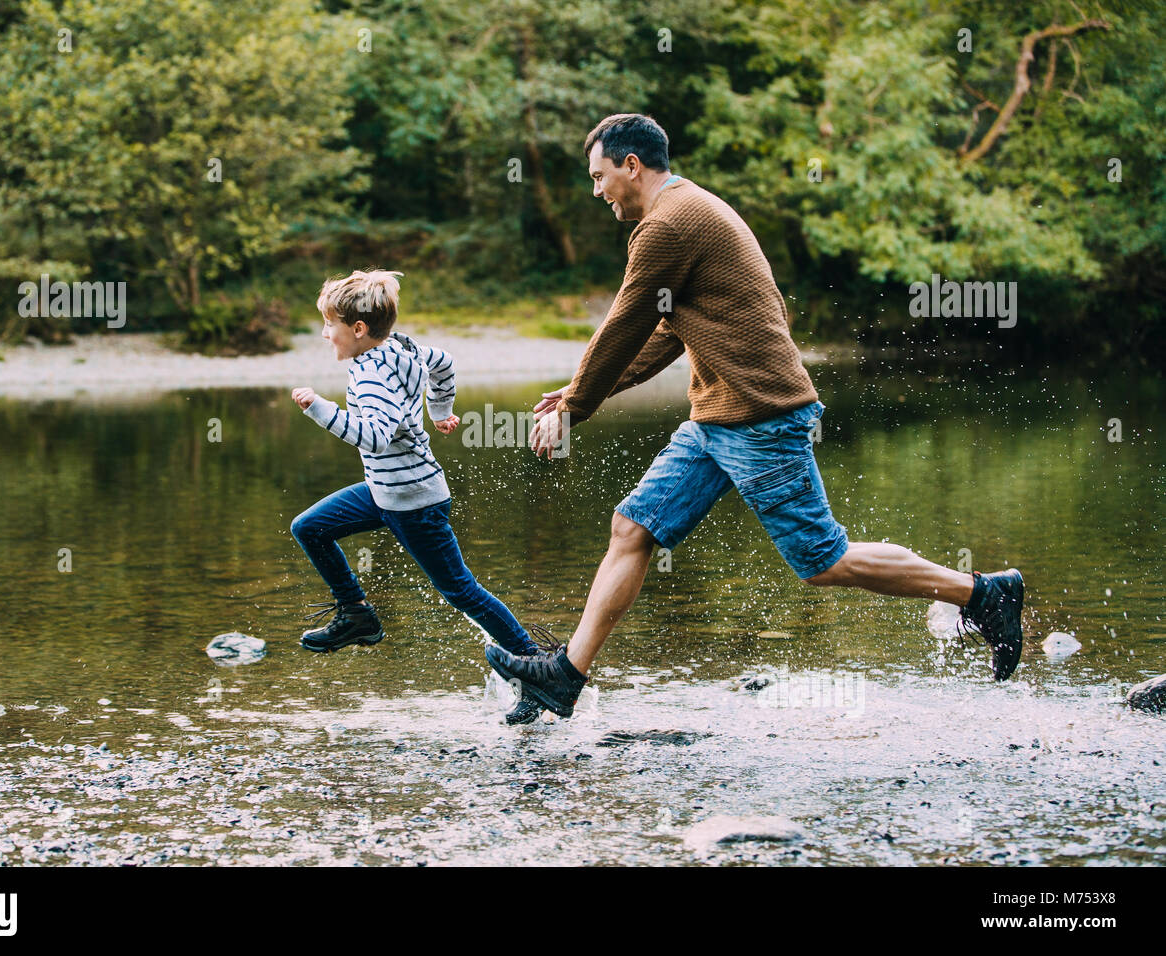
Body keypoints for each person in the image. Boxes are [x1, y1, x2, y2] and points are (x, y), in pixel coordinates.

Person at [485, 114, 1025, 719]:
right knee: (631, 529)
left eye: (599, 176)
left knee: (824, 561)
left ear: (631, 166)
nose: (596, 191)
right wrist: (579, 392)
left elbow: (626, 319)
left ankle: (982, 594)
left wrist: (578, 405)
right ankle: (565, 677)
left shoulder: (669, 224)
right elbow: (664, 329)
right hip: (717, 417)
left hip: (760, 416)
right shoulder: (684, 211)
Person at [289, 269, 547, 724]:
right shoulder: (403, 346)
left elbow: (373, 436)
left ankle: (535, 671)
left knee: (461, 590)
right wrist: (440, 410)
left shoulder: (369, 376)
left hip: (414, 501)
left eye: (329, 324)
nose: (325, 334)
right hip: (385, 492)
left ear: (358, 329)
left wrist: (319, 408)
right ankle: (356, 614)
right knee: (309, 527)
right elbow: (443, 362)